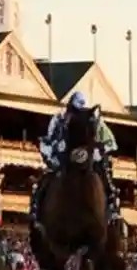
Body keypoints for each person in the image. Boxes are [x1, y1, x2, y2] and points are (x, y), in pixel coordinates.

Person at [29, 90, 121, 231]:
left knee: (104, 174)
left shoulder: (94, 121)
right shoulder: (59, 119)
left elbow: (110, 142)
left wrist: (98, 150)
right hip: (64, 156)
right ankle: (36, 210)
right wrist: (55, 148)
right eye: (74, 110)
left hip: (90, 157)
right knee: (45, 179)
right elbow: (50, 138)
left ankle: (112, 206)